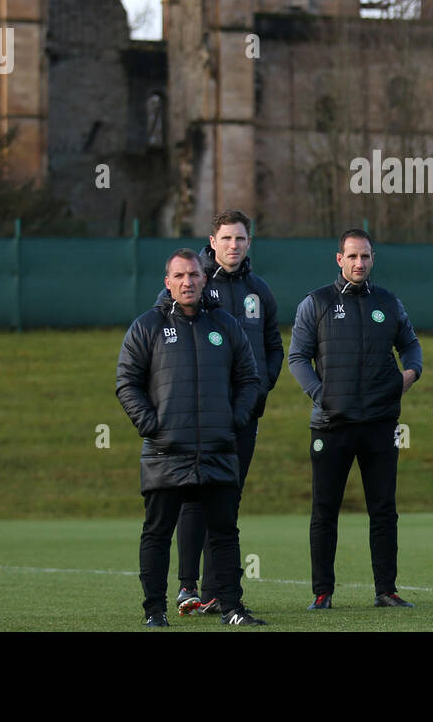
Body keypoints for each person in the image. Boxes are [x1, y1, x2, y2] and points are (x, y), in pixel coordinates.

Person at [116, 248, 265, 627]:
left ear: (204, 279)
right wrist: (151, 424)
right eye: (180, 276)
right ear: (167, 282)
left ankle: (232, 608)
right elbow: (127, 383)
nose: (188, 282)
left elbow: (249, 379)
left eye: (194, 275)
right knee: (157, 533)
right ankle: (154, 611)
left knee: (225, 534)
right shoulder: (146, 326)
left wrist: (233, 419)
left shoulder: (226, 325)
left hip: (217, 449)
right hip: (166, 451)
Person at [288, 228, 423, 610]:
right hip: (331, 426)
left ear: (372, 259)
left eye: (365, 257)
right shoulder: (316, 303)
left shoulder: (388, 302)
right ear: (339, 259)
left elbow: (410, 345)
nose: (359, 263)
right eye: (352, 257)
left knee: (383, 509)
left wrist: (409, 374)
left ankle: (386, 590)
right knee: (325, 509)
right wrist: (321, 394)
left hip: (380, 424)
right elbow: (297, 357)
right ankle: (322, 592)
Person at [173, 210, 283, 616]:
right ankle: (188, 587)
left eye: (240, 239)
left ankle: (216, 591)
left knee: (227, 501)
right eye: (226, 239)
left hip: (243, 415)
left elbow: (274, 346)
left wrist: (260, 388)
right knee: (192, 496)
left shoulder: (259, 291)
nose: (233, 246)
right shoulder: (194, 281)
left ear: (248, 242)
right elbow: (165, 329)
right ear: (212, 241)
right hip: (200, 414)